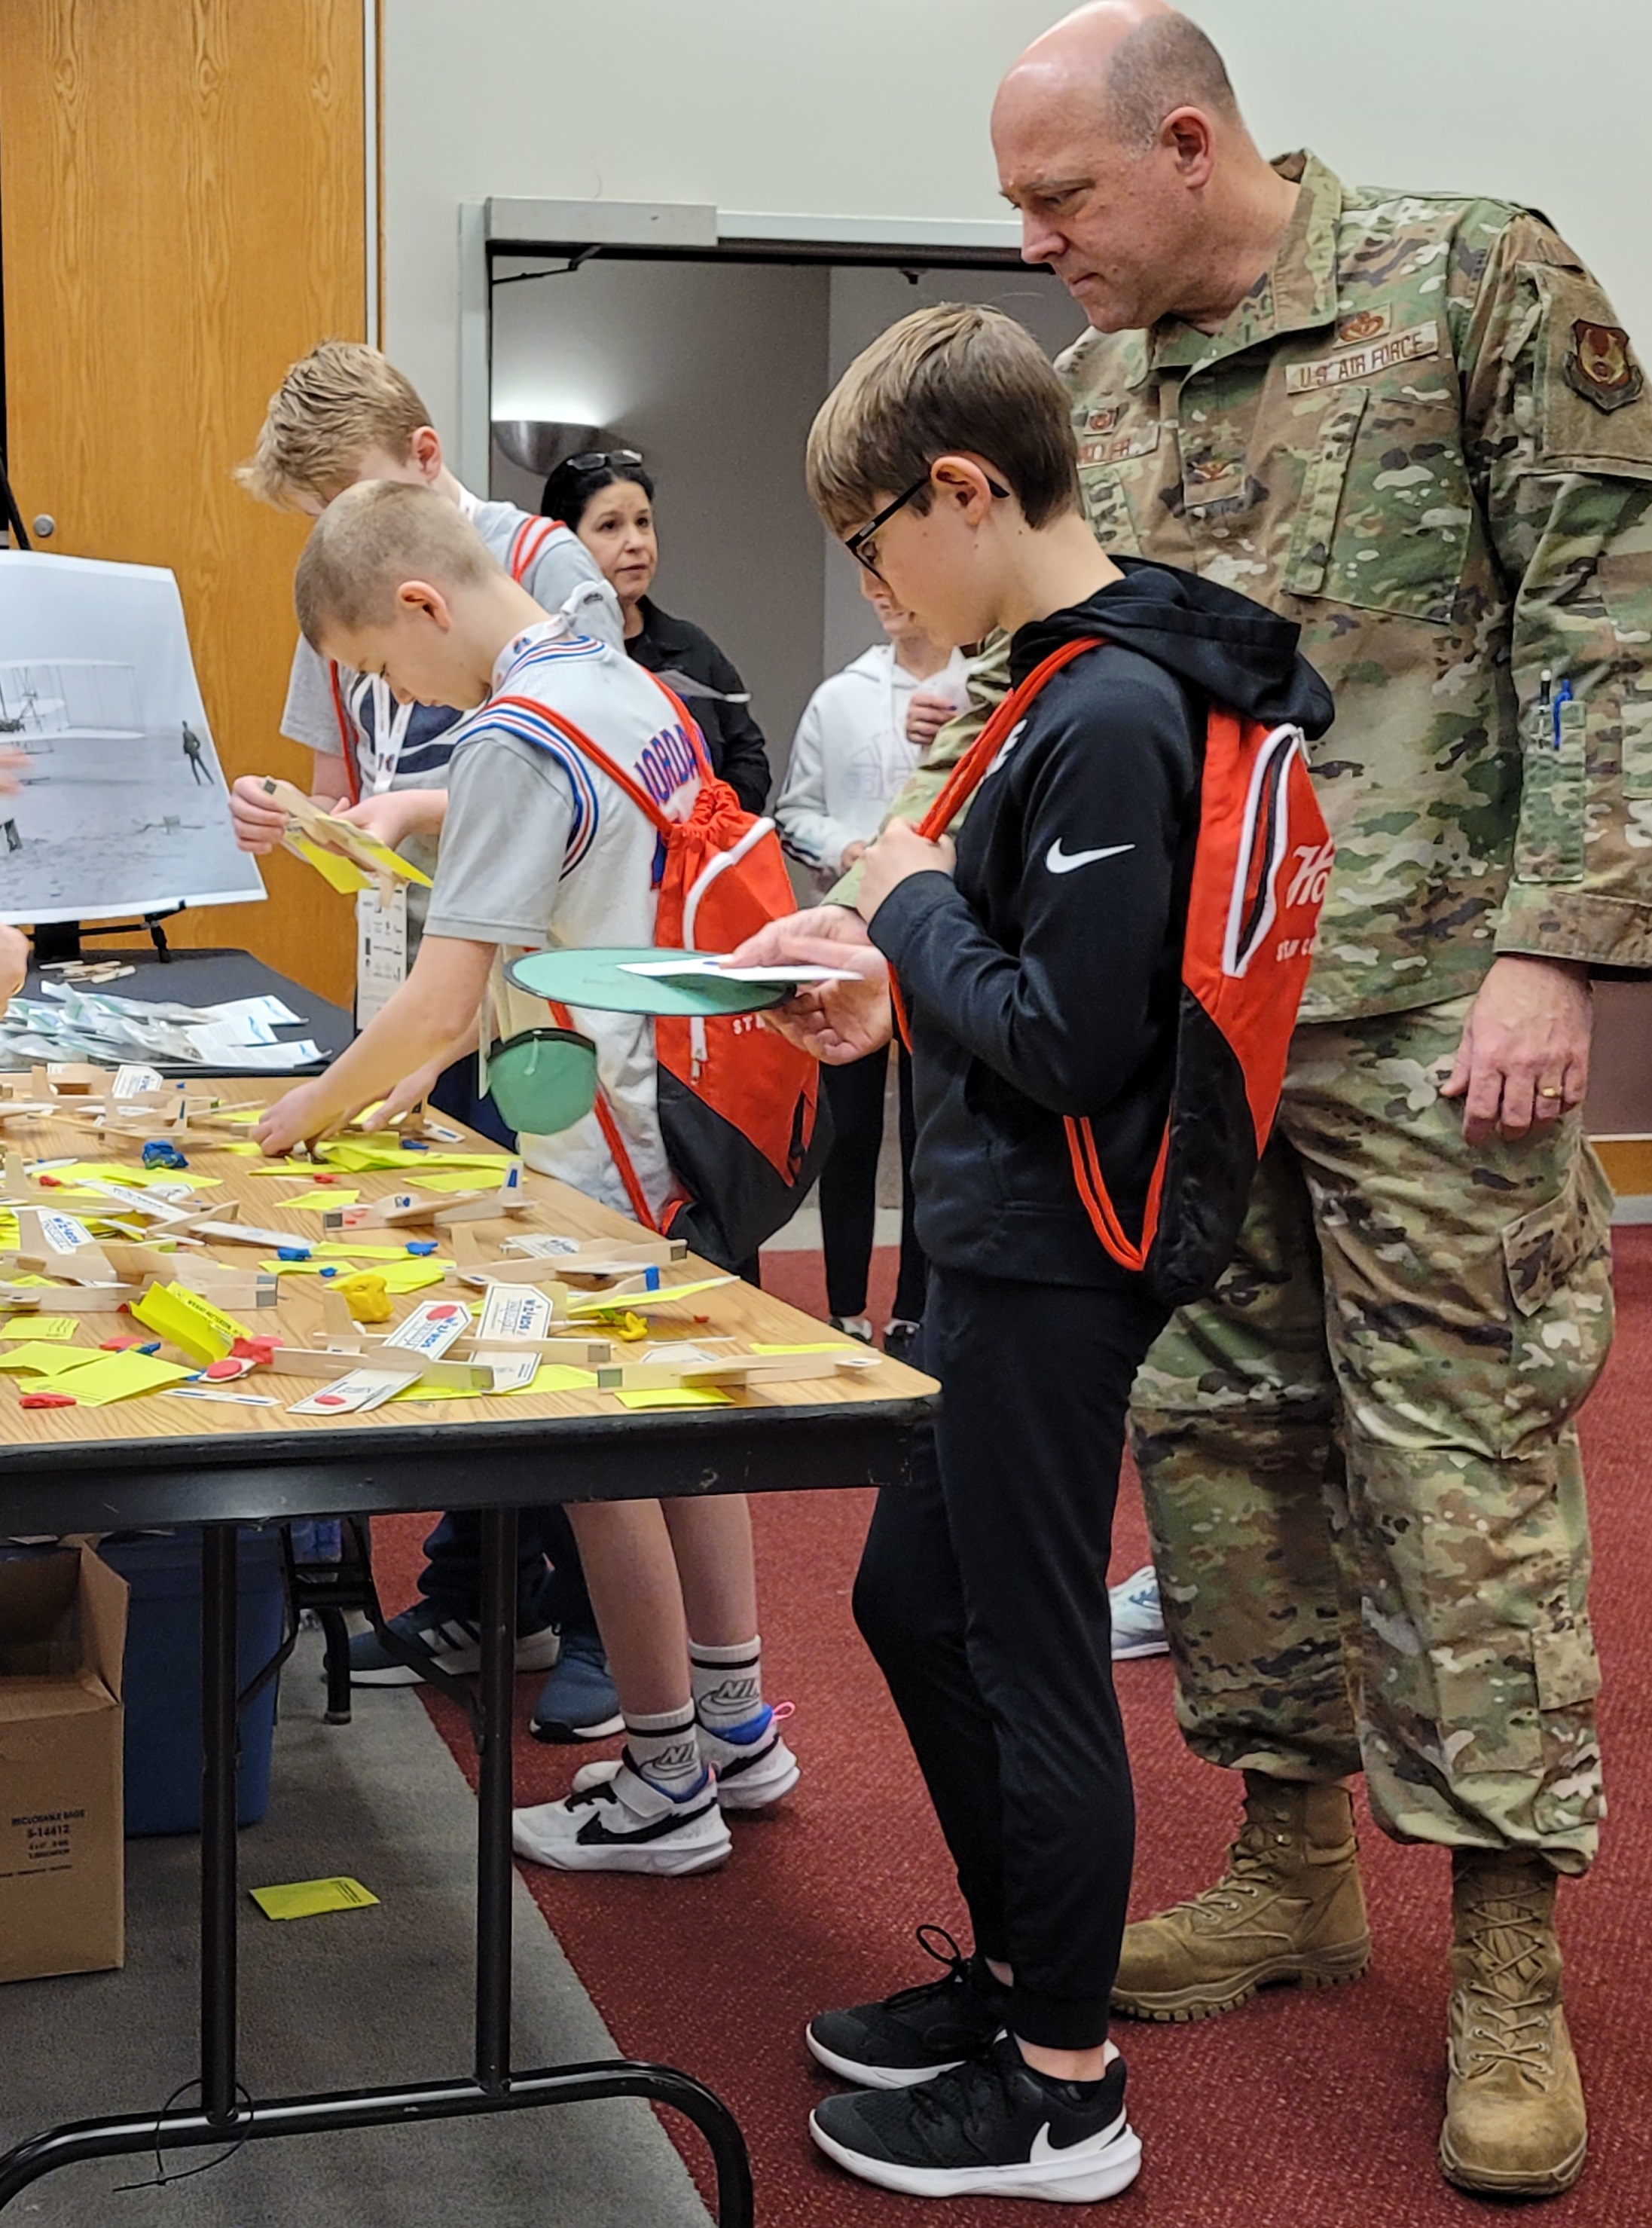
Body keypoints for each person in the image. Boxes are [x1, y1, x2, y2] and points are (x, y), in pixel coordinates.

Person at [817, 2, 1647, 2195]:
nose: (1029, 237)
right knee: (1213, 1457)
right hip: (1177, 1054)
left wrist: (1552, 942)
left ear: (1187, 143)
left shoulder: (1469, 278)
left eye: (1058, 196)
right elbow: (1019, 679)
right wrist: (883, 908)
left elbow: (1603, 623)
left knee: (1451, 1476)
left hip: (1412, 1014)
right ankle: (1285, 1862)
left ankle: (1493, 1957)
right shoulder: (1086, 393)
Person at [773, 301, 1330, 2204]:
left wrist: (909, 905)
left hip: (1052, 1256)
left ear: (961, 487)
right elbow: (1005, 994)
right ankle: (1020, 1981)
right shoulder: (1061, 682)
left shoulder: (1103, 709)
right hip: (993, 1227)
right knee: (904, 1608)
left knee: (1021, 1644)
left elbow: (1072, 1037)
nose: (877, 583)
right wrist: (897, 990)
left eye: (874, 541)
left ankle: (1064, 2084)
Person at [255, 480, 798, 1874]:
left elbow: (443, 998)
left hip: (594, 1147)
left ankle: (664, 1776)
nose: (393, 694)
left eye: (381, 666)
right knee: (687, 1427)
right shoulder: (619, 673)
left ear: (423, 605)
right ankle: (737, 1723)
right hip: (678, 1106)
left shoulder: (511, 735)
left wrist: (301, 1113)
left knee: (600, 1455)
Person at [230, 342, 621, 1736]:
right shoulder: (349, 587)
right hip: (429, 977)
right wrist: (320, 824)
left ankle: (589, 1620)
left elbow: (566, 779)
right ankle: (483, 1575)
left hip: (530, 998)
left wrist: (410, 818)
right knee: (453, 1273)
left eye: (347, 496)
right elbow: (355, 794)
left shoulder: (539, 577)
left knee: (570, 1303)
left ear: (422, 455)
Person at [774, 569, 970, 1354]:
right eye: (868, 579)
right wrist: (845, 849)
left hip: (943, 930)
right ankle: (845, 1305)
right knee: (848, 1131)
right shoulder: (841, 697)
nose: (882, 591)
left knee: (933, 1130)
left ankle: (916, 1310)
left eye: (893, 572)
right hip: (852, 929)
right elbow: (796, 812)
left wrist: (953, 740)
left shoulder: (983, 689)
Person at [542, 452, 773, 814]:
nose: (636, 542)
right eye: (610, 526)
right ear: (565, 546)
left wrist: (712, 829)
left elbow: (747, 756)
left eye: (643, 522)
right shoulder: (541, 658)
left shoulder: (690, 647)